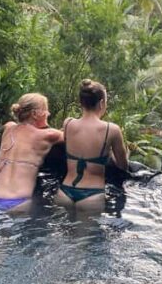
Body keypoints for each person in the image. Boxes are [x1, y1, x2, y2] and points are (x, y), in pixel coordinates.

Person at [55, 79, 128, 213]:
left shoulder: (68, 123)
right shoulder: (111, 130)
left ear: (81, 103)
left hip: (64, 191)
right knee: (87, 235)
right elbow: (123, 166)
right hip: (91, 194)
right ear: (101, 103)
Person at [0, 93, 63, 211]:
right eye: (45, 110)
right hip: (15, 202)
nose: (48, 113)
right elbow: (77, 136)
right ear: (34, 114)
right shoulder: (48, 135)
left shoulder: (8, 127)